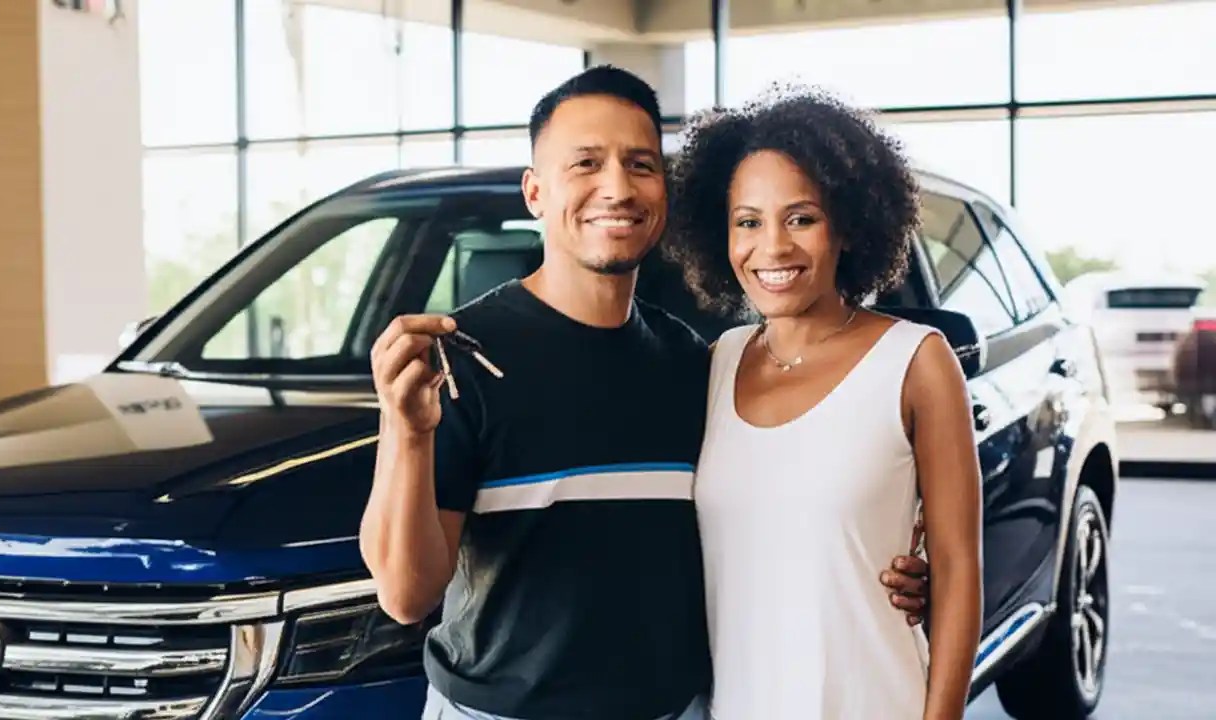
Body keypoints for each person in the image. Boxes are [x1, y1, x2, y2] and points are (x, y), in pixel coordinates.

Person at [361, 66, 932, 720]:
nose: (616, 187)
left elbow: (780, 516)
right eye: (585, 163)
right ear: (535, 193)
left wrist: (900, 568)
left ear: (666, 190)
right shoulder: (464, 356)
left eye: (640, 164)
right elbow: (406, 595)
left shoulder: (694, 364)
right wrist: (405, 432)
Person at [666, 84, 983, 719]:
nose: (773, 247)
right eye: (748, 222)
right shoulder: (718, 360)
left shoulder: (916, 361)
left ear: (848, 227)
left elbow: (957, 569)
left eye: (801, 218)